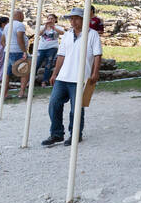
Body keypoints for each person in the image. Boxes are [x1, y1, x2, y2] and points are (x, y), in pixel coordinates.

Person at [42, 8, 102, 146]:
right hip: (63, 76)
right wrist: (55, 73)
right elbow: (61, 55)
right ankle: (56, 134)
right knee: (54, 104)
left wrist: (95, 72)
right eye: (71, 18)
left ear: (83, 19)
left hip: (80, 77)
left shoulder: (92, 35)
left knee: (76, 108)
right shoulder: (67, 35)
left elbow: (97, 54)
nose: (72, 21)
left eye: (75, 18)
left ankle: (75, 134)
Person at [34, 14, 60, 86]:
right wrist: (45, 27)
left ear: (55, 20)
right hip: (42, 48)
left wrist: (53, 27)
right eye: (49, 19)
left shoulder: (58, 27)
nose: (50, 20)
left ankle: (44, 81)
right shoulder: (42, 27)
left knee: (49, 65)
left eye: (52, 19)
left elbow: (62, 33)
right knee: (37, 64)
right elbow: (38, 34)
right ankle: (30, 80)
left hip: (52, 48)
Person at [7, 9, 29, 91]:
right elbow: (20, 39)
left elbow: (3, 40)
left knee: (7, 73)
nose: (23, 17)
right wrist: (24, 51)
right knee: (25, 72)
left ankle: (5, 93)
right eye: (22, 15)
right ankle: (21, 92)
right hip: (18, 51)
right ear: (19, 16)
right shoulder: (20, 25)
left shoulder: (7, 25)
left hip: (8, 51)